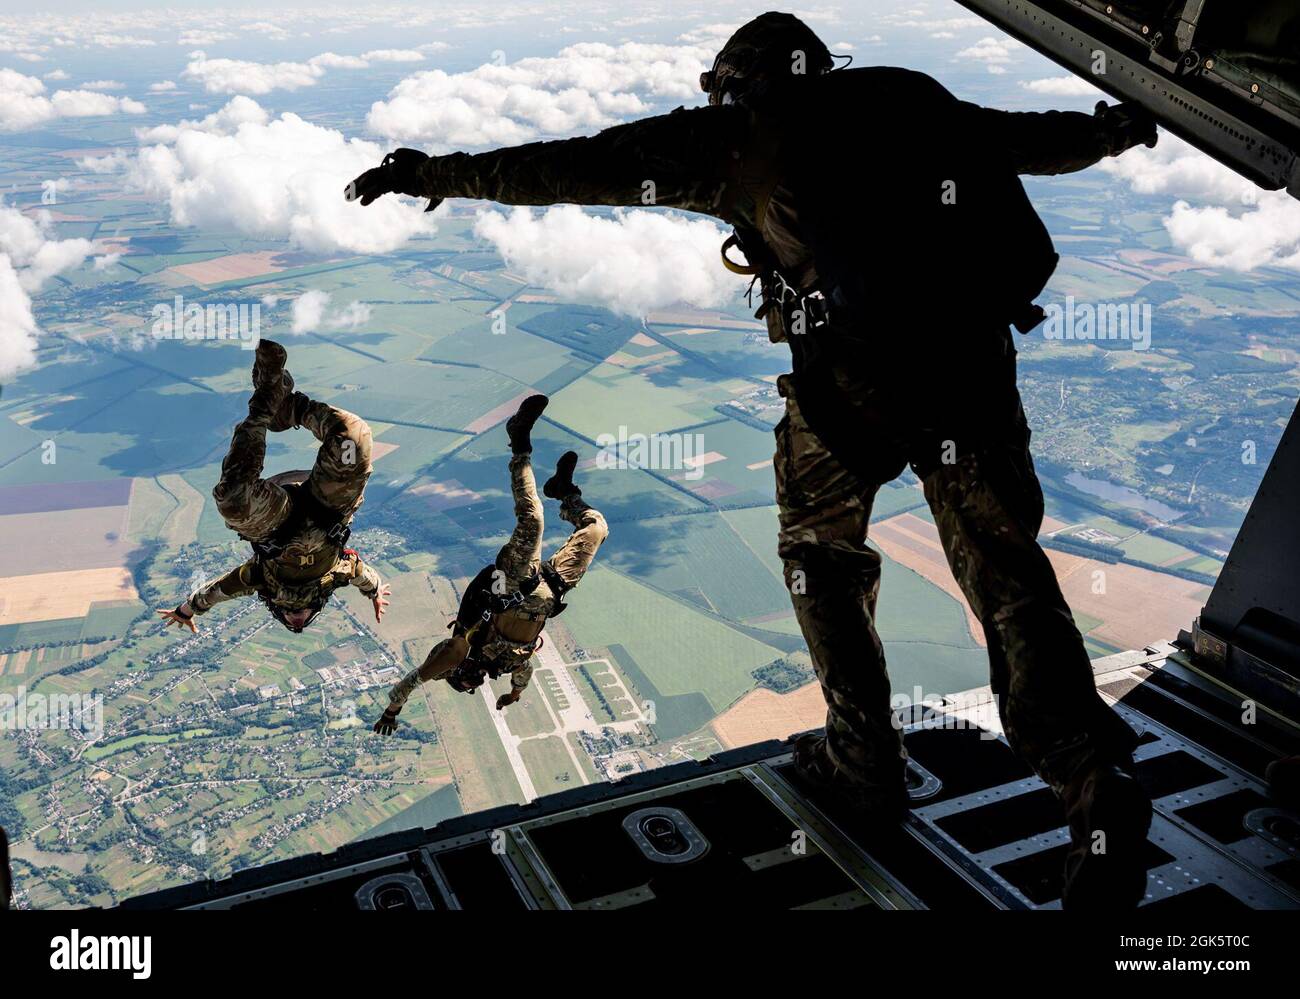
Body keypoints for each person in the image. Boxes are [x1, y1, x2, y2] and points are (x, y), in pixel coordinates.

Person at [346, 12, 1158, 908]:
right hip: (973, 375)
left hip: (851, 391)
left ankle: (862, 759)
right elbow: (1034, 142)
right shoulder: (912, 95)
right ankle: (1092, 786)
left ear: (741, 83)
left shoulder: (731, 137)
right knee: (1009, 574)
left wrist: (428, 174)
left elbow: (562, 165)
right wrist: (1113, 130)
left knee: (820, 553)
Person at [374, 395, 607, 731]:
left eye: (462, 680)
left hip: (512, 584)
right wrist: (513, 695)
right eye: (473, 686)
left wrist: (392, 710)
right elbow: (525, 673)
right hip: (552, 588)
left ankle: (519, 445)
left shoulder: (461, 649)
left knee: (532, 522)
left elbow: (414, 679)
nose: (472, 680)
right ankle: (565, 493)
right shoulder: (508, 665)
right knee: (596, 528)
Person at [158, 340, 390, 634]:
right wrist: (376, 591)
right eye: (304, 618)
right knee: (352, 441)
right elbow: (366, 578)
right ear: (316, 609)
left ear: (276, 609)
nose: (297, 618)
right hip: (328, 508)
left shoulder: (258, 578)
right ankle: (294, 408)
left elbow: (215, 592)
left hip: (273, 523)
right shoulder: (341, 572)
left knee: (233, 500)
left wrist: (186, 610)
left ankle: (266, 405)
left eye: (291, 618)